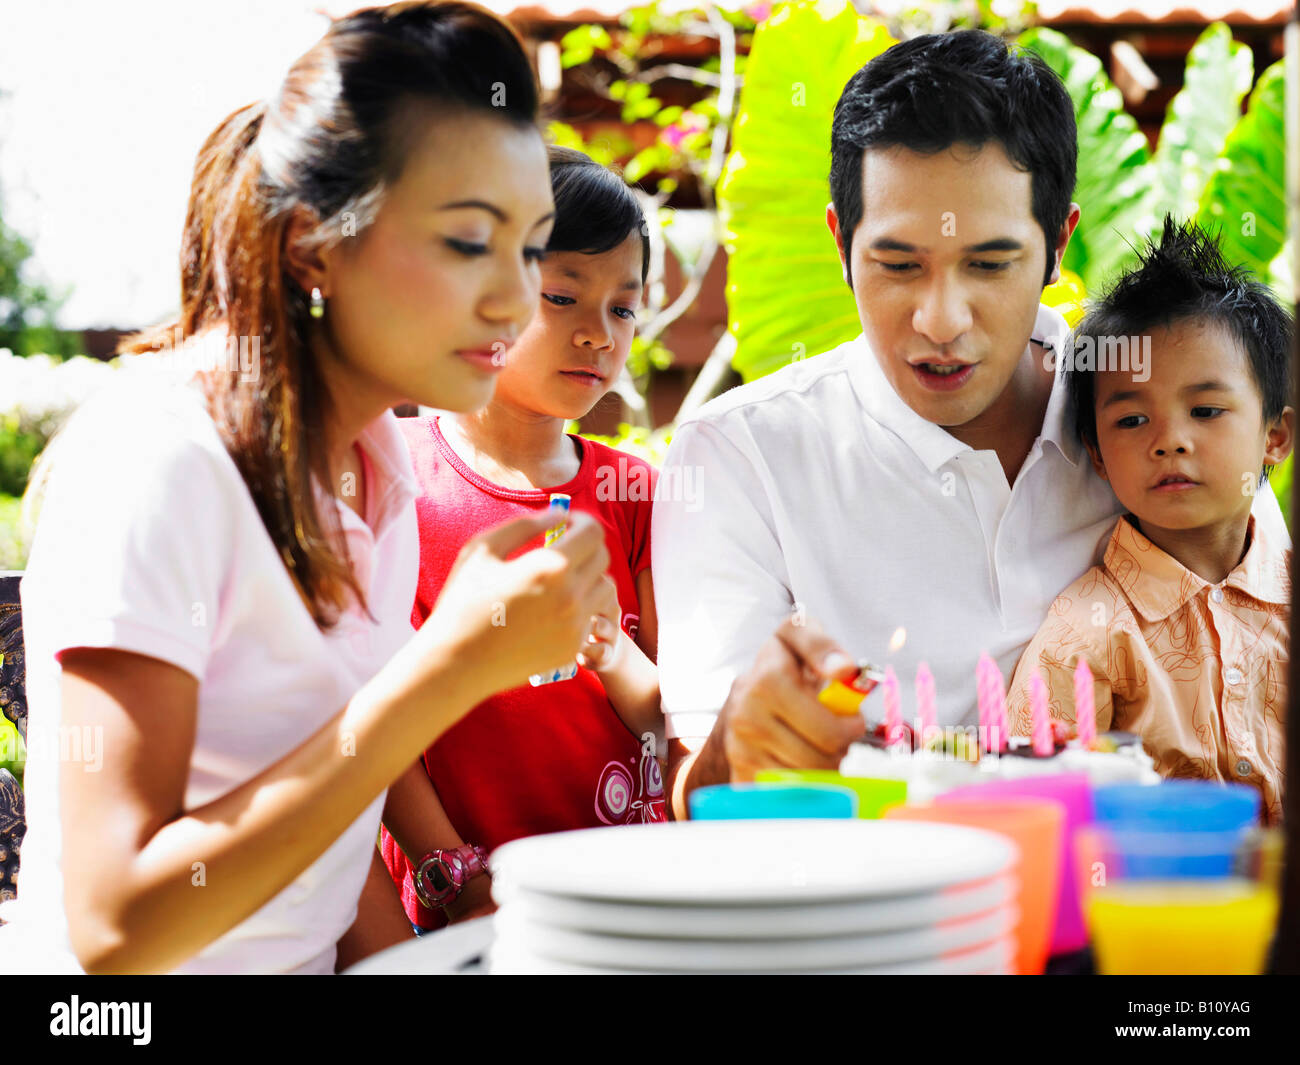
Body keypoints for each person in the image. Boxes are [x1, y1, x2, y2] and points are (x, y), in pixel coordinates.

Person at [0, 1, 614, 974]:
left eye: (530, 245)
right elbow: (115, 931)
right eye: (467, 240)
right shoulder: (160, 459)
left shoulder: (373, 466)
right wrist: (445, 676)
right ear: (312, 244)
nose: (512, 296)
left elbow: (321, 839)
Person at [649, 29, 1289, 817]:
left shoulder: (1161, 398)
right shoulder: (740, 459)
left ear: (1058, 243)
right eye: (897, 263)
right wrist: (734, 749)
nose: (942, 320)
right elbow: (697, 792)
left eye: (990, 264)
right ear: (840, 244)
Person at [375, 146, 664, 934]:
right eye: (563, 297)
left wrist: (604, 643)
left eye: (624, 308)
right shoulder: (395, 476)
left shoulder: (635, 493)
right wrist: (457, 880)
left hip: (620, 901)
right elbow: (378, 718)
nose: (596, 335)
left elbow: (664, 716)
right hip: (463, 906)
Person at [1008, 218, 1293, 824]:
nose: (1170, 441)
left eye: (1206, 409)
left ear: (1275, 435)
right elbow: (1035, 808)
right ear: (1098, 454)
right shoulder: (1085, 636)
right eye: (1132, 421)